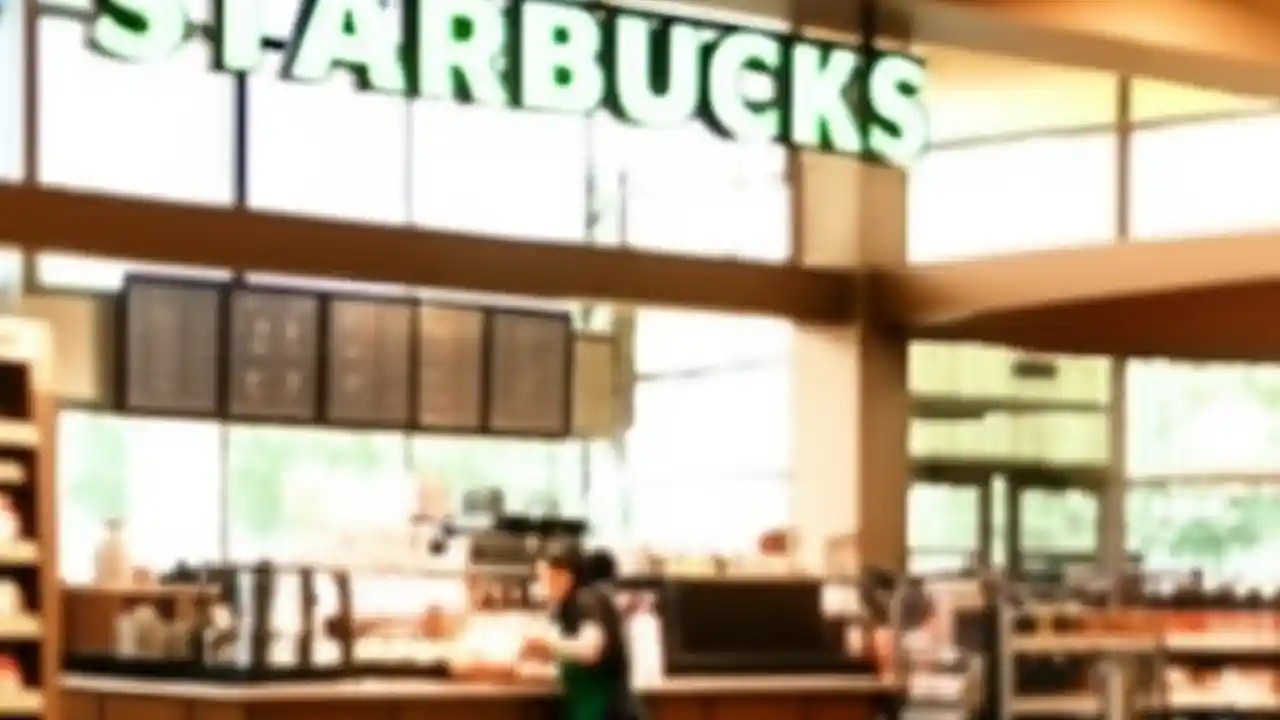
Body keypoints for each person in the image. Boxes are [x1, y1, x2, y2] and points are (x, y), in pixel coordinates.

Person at [521, 548, 635, 720]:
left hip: (607, 708)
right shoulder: (567, 608)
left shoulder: (588, 599)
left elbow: (590, 649)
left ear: (565, 577)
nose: (543, 585)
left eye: (547, 578)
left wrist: (546, 644)